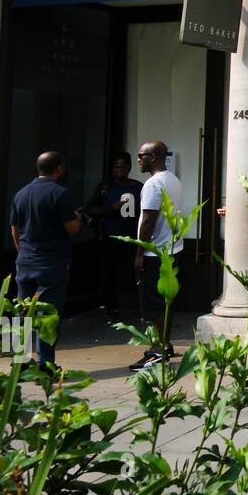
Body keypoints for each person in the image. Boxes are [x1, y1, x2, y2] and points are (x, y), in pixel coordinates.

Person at [9, 151, 86, 372]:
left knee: (22, 312)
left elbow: (14, 229)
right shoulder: (60, 194)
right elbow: (72, 228)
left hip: (25, 261)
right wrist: (78, 216)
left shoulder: (21, 194)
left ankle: (20, 361)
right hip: (52, 263)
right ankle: (45, 364)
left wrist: (22, 251)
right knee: (48, 315)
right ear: (59, 168)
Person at [129, 140, 184, 372]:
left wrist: (139, 252)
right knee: (166, 302)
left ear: (153, 157)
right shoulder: (173, 180)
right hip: (172, 249)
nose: (138, 159)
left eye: (141, 155)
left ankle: (156, 351)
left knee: (152, 306)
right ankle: (164, 345)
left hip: (155, 253)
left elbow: (149, 220)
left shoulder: (153, 184)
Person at [83, 151, 143, 322]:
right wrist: (111, 208)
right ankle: (112, 309)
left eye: (123, 166)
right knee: (109, 274)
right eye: (117, 167)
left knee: (131, 273)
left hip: (133, 238)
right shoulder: (105, 187)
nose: (120, 170)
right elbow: (89, 208)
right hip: (110, 237)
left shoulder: (138, 187)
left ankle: (136, 308)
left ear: (130, 167)